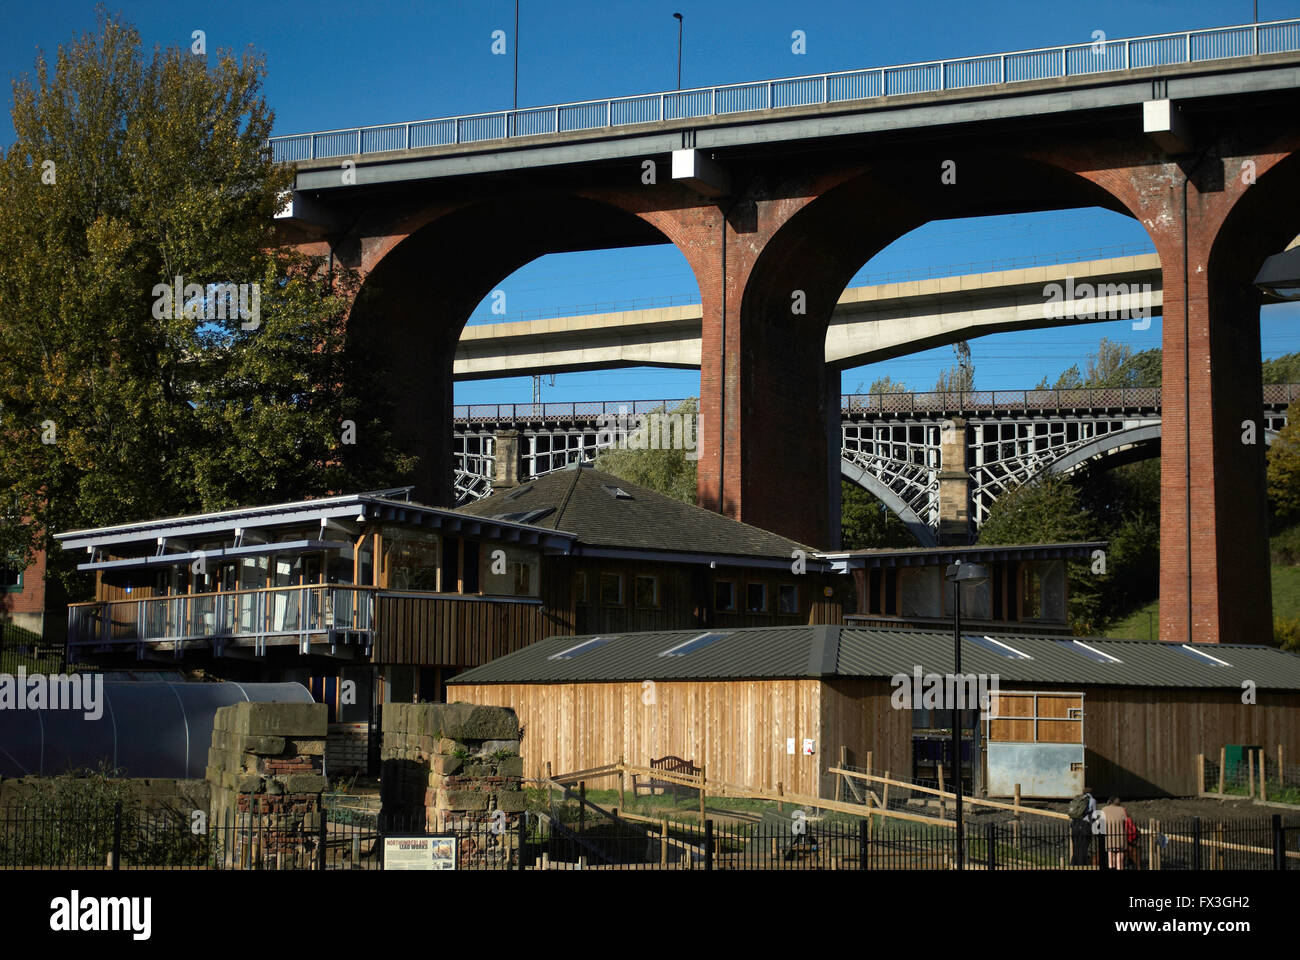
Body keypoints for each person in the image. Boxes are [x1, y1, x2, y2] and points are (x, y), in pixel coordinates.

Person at [1068, 786, 1097, 866]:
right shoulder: (1092, 800)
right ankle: (1082, 865)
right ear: (1091, 793)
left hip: (1074, 824)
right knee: (1083, 847)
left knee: (1076, 847)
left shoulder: (1077, 799)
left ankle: (1073, 864)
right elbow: (1094, 816)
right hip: (1085, 825)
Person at [1100, 796, 1129, 870]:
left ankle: (1111, 868)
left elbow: (1101, 823)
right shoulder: (1122, 809)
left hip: (1109, 837)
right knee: (1120, 859)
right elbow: (1126, 821)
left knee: (1111, 858)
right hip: (1120, 837)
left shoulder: (1104, 809)